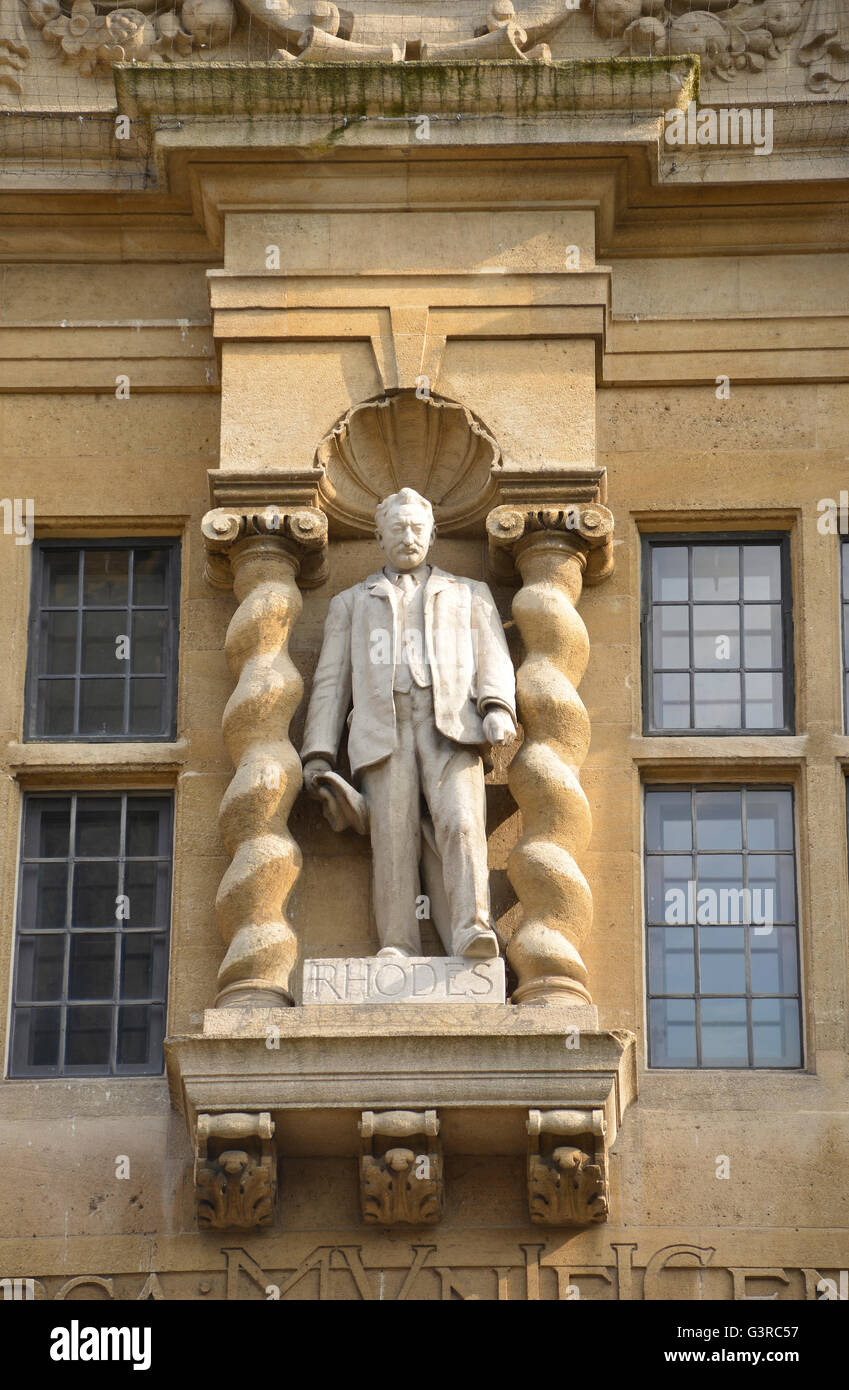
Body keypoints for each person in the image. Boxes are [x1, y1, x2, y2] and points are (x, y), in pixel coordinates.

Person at [301, 487, 517, 959]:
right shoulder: (351, 603)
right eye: (397, 528)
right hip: (383, 731)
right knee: (392, 837)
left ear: (434, 533)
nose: (408, 536)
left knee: (462, 824)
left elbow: (493, 656)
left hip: (452, 726)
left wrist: (497, 706)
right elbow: (331, 682)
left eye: (418, 527)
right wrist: (317, 753)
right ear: (380, 535)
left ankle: (471, 929)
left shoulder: (469, 594)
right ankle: (397, 942)